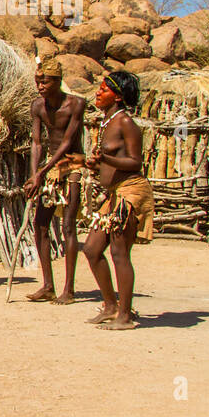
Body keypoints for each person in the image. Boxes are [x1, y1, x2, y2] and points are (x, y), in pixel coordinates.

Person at [82, 70, 154, 330]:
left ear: (119, 96)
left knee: (119, 253)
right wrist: (93, 164)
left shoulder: (125, 123)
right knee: (91, 249)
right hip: (114, 195)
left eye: (104, 89)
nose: (98, 93)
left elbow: (135, 162)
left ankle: (125, 316)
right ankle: (111, 306)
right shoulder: (106, 121)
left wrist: (106, 160)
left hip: (130, 192)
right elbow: (107, 161)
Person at [21, 57, 87, 303]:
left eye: (45, 82)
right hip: (50, 166)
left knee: (69, 225)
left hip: (72, 164)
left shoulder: (76, 104)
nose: (40, 86)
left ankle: (68, 290)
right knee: (40, 224)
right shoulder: (38, 106)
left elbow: (69, 141)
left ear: (58, 82)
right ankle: (47, 285)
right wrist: (33, 173)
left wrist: (40, 173)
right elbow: (37, 142)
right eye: (38, 82)